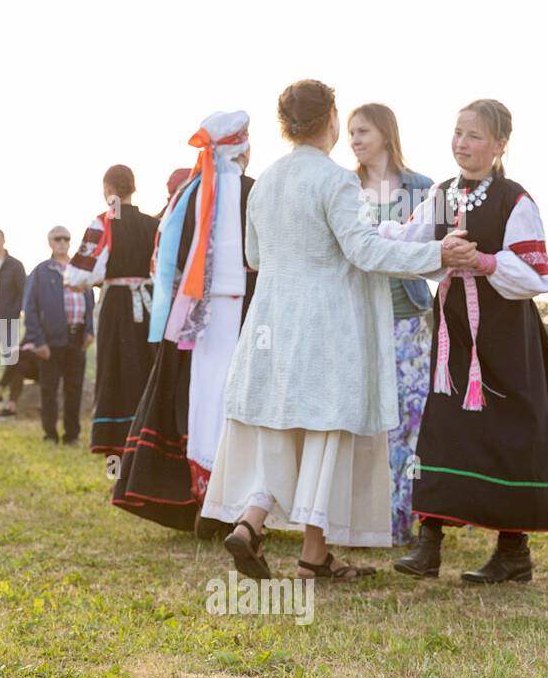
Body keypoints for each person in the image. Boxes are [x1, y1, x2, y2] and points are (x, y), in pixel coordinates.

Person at [201, 79, 475, 581]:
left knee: (283, 431)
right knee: (324, 436)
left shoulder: (265, 183)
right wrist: (437, 253)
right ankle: (309, 558)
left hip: (271, 324)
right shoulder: (336, 181)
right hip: (325, 329)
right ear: (330, 119)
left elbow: (254, 257)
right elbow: (365, 251)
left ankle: (250, 522)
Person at [386, 100, 548, 583]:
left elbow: (535, 275)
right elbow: (408, 243)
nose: (461, 143)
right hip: (455, 340)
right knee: (443, 428)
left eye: (474, 135)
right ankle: (429, 545)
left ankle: (513, 552)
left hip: (506, 338)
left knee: (509, 434)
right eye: (458, 132)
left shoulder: (515, 199)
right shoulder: (443, 195)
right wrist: (431, 250)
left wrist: (486, 263)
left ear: (500, 144)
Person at [113, 112, 256, 533]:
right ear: (242, 147)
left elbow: (166, 261)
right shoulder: (253, 192)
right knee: (237, 401)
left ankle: (199, 497)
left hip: (194, 319)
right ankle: (231, 503)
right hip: (247, 312)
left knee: (198, 403)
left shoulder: (185, 196)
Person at [348, 104, 435, 547]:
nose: (354, 139)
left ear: (385, 132)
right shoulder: (344, 187)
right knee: (366, 421)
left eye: (362, 130)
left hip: (409, 317)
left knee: (409, 421)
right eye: (350, 132)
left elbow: (437, 248)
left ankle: (402, 518)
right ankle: (363, 518)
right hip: (360, 317)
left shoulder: (421, 188)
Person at [66, 165, 158, 455]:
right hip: (149, 305)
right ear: (133, 187)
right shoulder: (154, 225)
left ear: (107, 190)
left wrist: (80, 282)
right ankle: (144, 445)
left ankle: (115, 452)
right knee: (143, 371)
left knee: (114, 373)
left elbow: (80, 276)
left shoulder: (104, 222)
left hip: (117, 306)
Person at [23, 226, 94, 444]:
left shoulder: (80, 270)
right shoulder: (41, 272)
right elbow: (30, 308)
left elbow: (90, 300)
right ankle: (50, 434)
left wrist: (90, 330)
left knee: (74, 389)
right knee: (49, 390)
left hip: (76, 339)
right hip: (50, 342)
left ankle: (72, 435)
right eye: (57, 239)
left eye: (66, 238)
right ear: (50, 243)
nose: (62, 242)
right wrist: (38, 341)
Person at [0, 228, 26, 417]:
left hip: (8, 320)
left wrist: (13, 312)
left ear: (4, 241)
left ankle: (12, 402)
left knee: (12, 360)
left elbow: (23, 293)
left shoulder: (14, 265)